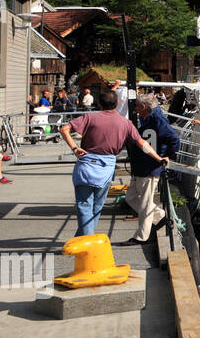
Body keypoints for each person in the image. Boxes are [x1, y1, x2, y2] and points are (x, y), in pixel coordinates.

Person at [61, 91, 167, 237]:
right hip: (107, 167)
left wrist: (74, 148)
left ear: (99, 104)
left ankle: (86, 239)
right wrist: (158, 158)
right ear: (117, 103)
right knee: (97, 206)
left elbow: (64, 129)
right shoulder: (125, 123)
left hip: (86, 165)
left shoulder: (89, 117)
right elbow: (142, 143)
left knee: (84, 205)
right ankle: (84, 237)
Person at [126, 96, 180, 245]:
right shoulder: (147, 119)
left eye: (136, 106)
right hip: (141, 165)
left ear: (143, 107)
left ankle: (142, 236)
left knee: (144, 202)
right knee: (131, 197)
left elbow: (174, 139)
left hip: (149, 166)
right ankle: (160, 216)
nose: (135, 108)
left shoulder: (157, 120)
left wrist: (167, 156)